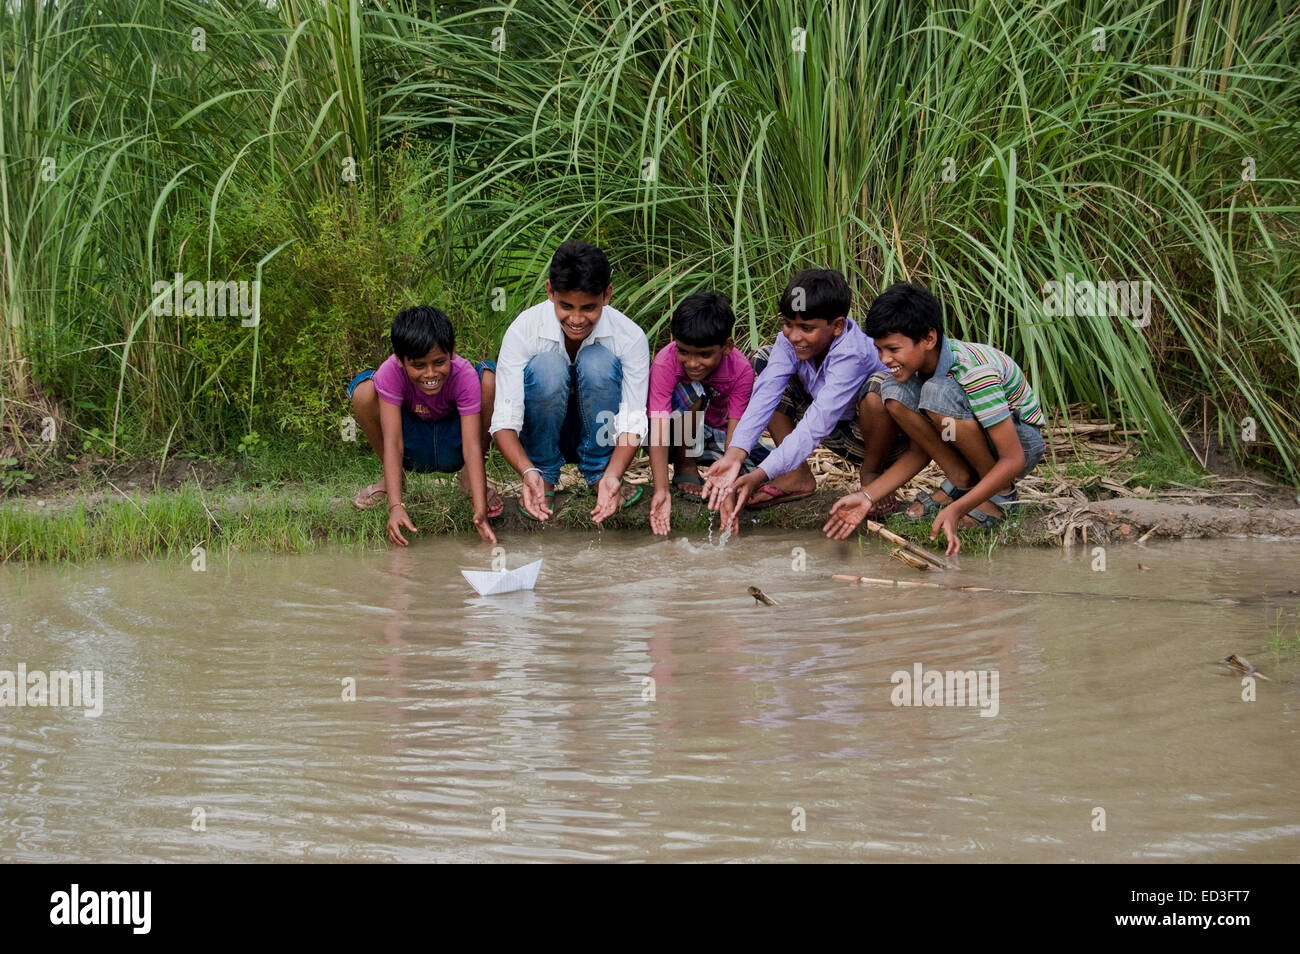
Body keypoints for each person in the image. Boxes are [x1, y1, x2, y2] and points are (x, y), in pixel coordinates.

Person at [824, 282, 1046, 555]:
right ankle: (961, 480)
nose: (884, 359)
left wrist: (957, 509)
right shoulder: (917, 370)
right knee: (891, 388)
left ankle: (999, 495)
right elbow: (921, 450)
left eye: (893, 349)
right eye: (879, 349)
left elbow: (1014, 459)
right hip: (975, 440)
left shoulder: (972, 371)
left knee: (937, 391)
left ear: (928, 339)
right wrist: (868, 496)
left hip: (1018, 443)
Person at [703, 268, 906, 530]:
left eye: (806, 328)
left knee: (876, 391)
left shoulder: (852, 353)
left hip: (878, 439)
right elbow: (766, 394)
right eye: (788, 323)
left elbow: (816, 424)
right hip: (836, 430)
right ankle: (795, 474)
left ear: (837, 326)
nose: (794, 335)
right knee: (763, 361)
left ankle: (873, 475)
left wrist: (758, 475)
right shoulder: (788, 342)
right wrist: (734, 455)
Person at [490, 240, 649, 522]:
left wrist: (614, 474)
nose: (576, 319)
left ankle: (601, 476)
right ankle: (543, 478)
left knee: (597, 361)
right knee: (547, 366)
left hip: (600, 432)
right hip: (545, 432)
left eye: (589, 308)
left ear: (607, 295)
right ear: (550, 292)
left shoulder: (630, 337)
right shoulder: (523, 331)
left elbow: (632, 419)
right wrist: (528, 472)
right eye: (566, 306)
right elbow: (504, 420)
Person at [348, 305, 502, 546]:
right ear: (400, 359)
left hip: (454, 441)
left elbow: (472, 445)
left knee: (490, 379)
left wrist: (481, 512)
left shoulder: (463, 375)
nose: (430, 374)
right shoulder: (390, 372)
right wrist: (396, 507)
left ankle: (470, 482)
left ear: (452, 351)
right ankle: (393, 480)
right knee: (363, 392)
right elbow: (393, 442)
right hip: (413, 441)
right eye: (418, 365)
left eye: (439, 362)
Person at [645, 291, 767, 536]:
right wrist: (661, 490)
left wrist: (727, 489)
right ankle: (685, 466)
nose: (692, 363)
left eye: (704, 355)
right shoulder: (665, 363)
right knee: (693, 389)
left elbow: (736, 432)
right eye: (684, 352)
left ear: (726, 347)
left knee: (767, 467)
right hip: (670, 437)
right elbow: (657, 429)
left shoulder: (741, 369)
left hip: (714, 438)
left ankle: (711, 473)